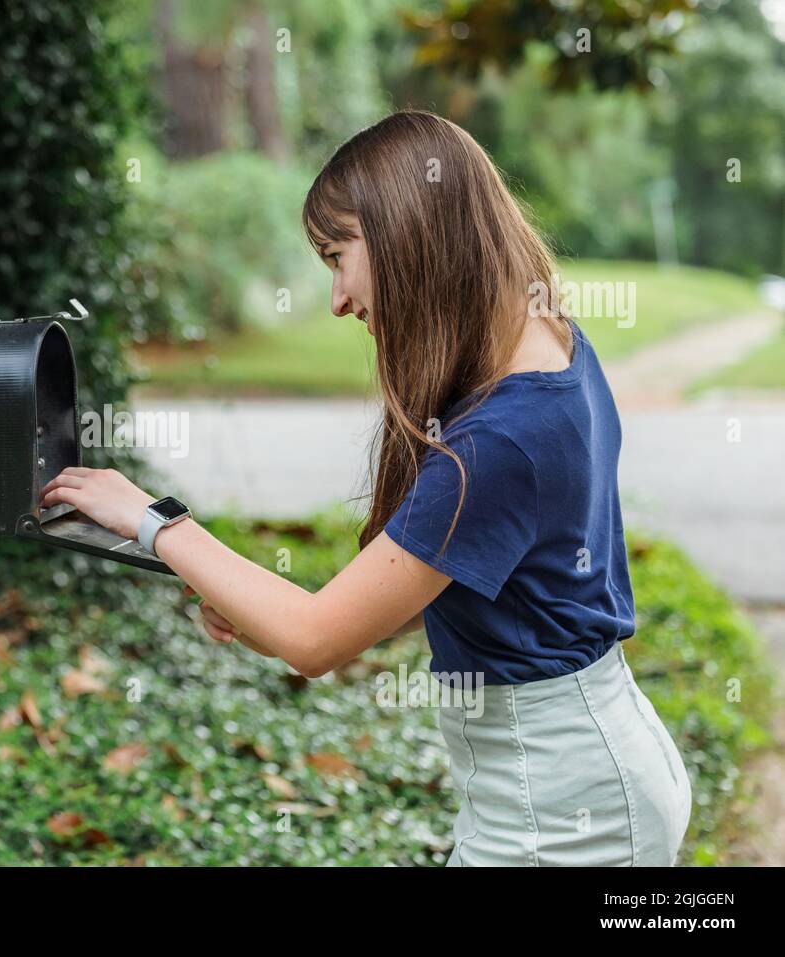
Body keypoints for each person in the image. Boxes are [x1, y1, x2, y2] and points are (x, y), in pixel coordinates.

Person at [40, 110, 692, 866]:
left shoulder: (500, 441)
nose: (338, 299)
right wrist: (263, 612)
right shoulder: (547, 349)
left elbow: (318, 640)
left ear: (409, 232)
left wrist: (151, 521)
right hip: (578, 770)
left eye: (336, 255)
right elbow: (375, 606)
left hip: (564, 811)